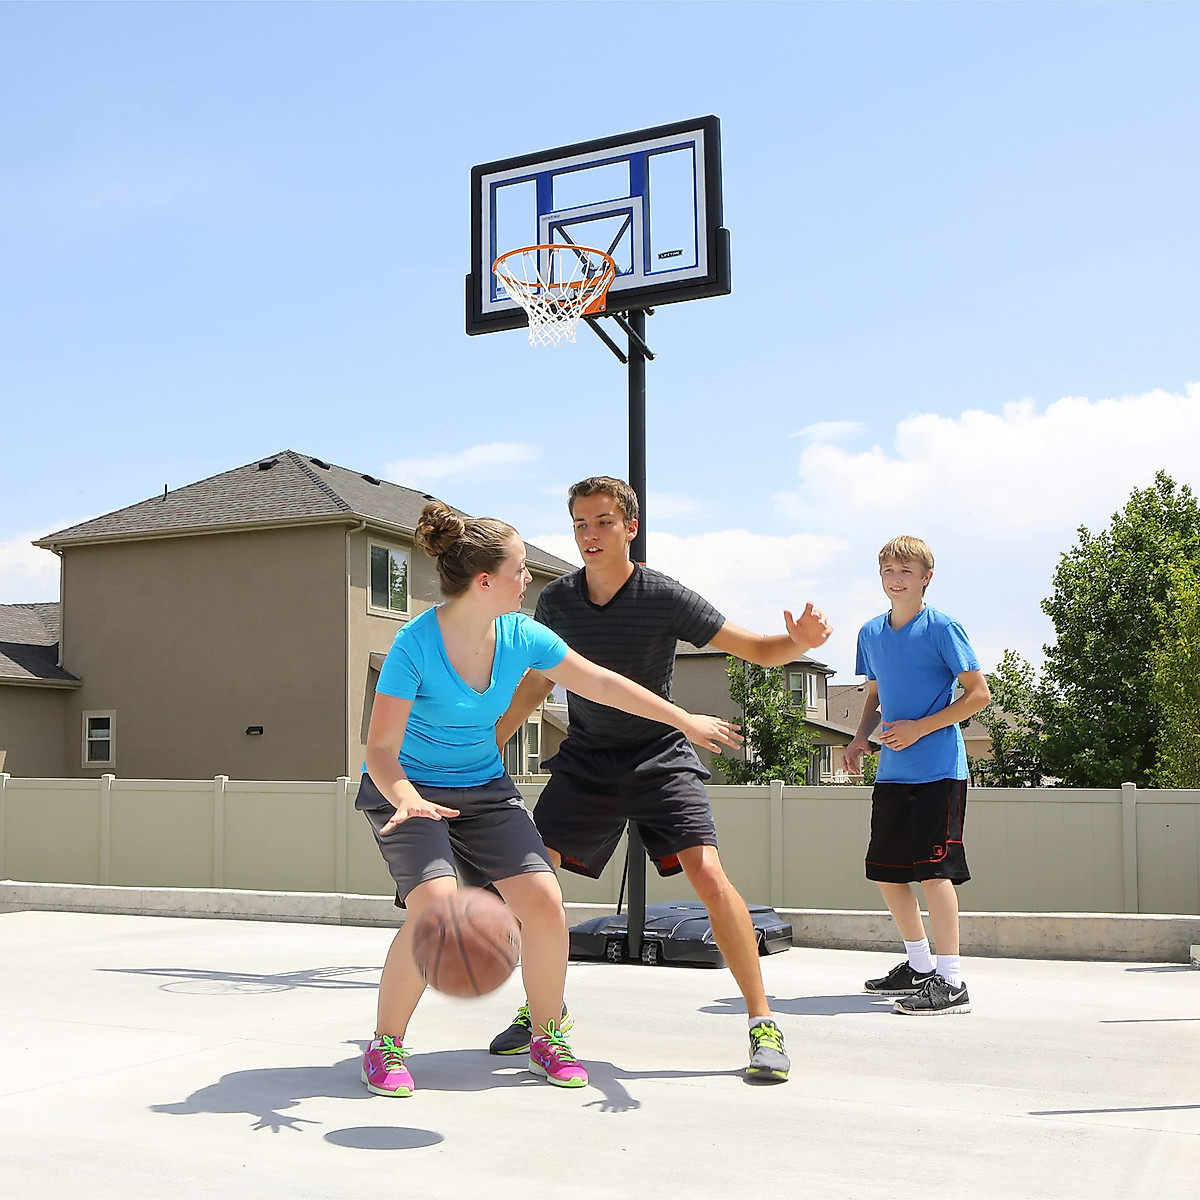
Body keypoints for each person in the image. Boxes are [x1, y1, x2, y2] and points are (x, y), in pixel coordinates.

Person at [358, 500, 742, 1098]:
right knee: (435, 909)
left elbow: (603, 682)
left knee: (542, 900)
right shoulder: (415, 645)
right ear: (486, 581)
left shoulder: (522, 634)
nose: (529, 579)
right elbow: (379, 749)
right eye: (519, 569)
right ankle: (385, 1046)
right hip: (408, 789)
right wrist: (406, 798)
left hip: (482, 786)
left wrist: (683, 719)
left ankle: (546, 1032)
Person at [491, 476, 832, 1082]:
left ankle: (762, 1023)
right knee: (531, 881)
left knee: (707, 872)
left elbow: (754, 648)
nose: (589, 535)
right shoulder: (556, 603)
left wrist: (796, 642)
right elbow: (540, 682)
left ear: (631, 527)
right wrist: (489, 743)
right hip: (587, 758)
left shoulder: (662, 596)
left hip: (658, 756)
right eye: (579, 524)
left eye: (601, 522)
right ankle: (545, 1012)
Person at [844, 536, 991, 1015]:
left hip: (939, 773)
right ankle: (919, 966)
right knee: (888, 874)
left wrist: (919, 728)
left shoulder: (942, 627)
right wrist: (859, 737)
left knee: (934, 875)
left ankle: (951, 983)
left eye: (905, 570)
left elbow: (978, 695)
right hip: (892, 774)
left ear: (926, 577)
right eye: (887, 568)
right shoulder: (870, 632)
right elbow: (874, 694)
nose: (895, 577)